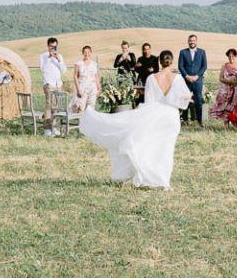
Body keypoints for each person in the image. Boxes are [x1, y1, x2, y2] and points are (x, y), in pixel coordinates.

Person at [80, 51, 191, 188]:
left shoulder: (151, 78)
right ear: (172, 61)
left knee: (153, 147)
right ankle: (164, 181)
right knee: (167, 149)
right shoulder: (178, 78)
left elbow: (149, 101)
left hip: (155, 115)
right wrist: (172, 101)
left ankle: (151, 176)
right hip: (171, 117)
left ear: (159, 62)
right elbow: (186, 98)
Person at [39, 37, 67, 137]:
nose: (53, 48)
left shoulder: (60, 56)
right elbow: (42, 68)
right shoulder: (43, 56)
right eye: (51, 46)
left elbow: (64, 70)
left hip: (58, 84)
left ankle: (55, 128)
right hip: (49, 84)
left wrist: (59, 60)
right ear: (48, 46)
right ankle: (47, 129)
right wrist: (50, 58)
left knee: (57, 107)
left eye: (55, 46)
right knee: (49, 106)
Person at [178, 34, 207, 125]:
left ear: (196, 41)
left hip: (197, 81)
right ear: (188, 41)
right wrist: (186, 76)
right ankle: (185, 120)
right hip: (186, 80)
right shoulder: (183, 52)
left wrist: (197, 76)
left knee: (198, 100)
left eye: (194, 40)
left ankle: (199, 120)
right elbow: (180, 66)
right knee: (185, 99)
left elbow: (204, 66)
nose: (192, 42)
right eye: (190, 40)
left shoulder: (202, 52)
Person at [209, 48, 237, 120]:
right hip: (225, 90)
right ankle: (226, 125)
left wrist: (235, 82)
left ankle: (235, 123)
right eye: (229, 56)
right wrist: (228, 81)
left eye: (233, 56)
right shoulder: (224, 66)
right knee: (225, 107)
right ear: (227, 56)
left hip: (236, 90)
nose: (231, 57)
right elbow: (220, 78)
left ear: (235, 56)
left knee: (234, 107)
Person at [73, 45, 101, 112]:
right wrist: (78, 89)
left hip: (93, 87)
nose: (87, 54)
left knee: (91, 107)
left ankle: (89, 122)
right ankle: (81, 122)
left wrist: (99, 88)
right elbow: (75, 76)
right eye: (85, 52)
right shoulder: (78, 63)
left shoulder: (94, 64)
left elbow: (96, 76)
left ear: (91, 52)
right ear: (82, 53)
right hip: (82, 87)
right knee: (81, 106)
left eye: (88, 52)